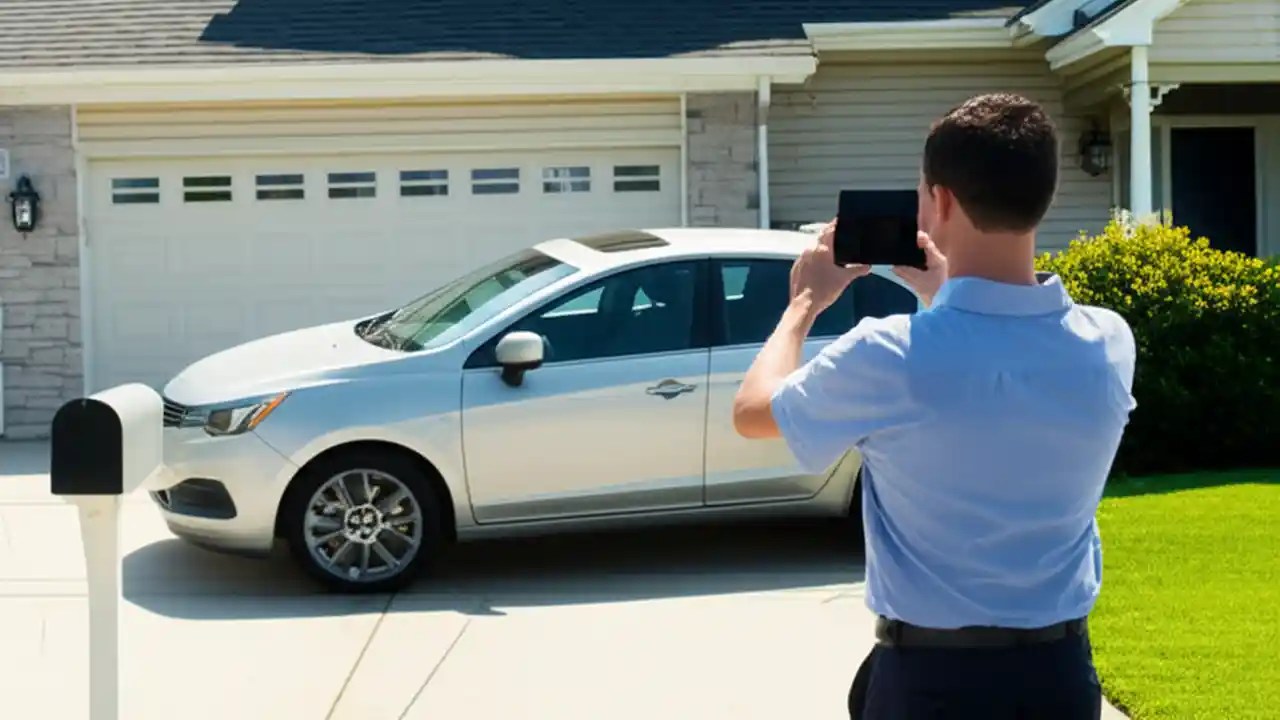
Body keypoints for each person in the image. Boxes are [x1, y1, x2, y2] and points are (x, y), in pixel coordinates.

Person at [732, 93, 1137, 719]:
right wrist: (942, 294)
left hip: (930, 684)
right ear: (1044, 195)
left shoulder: (889, 355)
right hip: (1060, 679)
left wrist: (803, 304)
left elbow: (754, 413)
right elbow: (994, 369)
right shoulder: (1107, 342)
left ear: (942, 200)